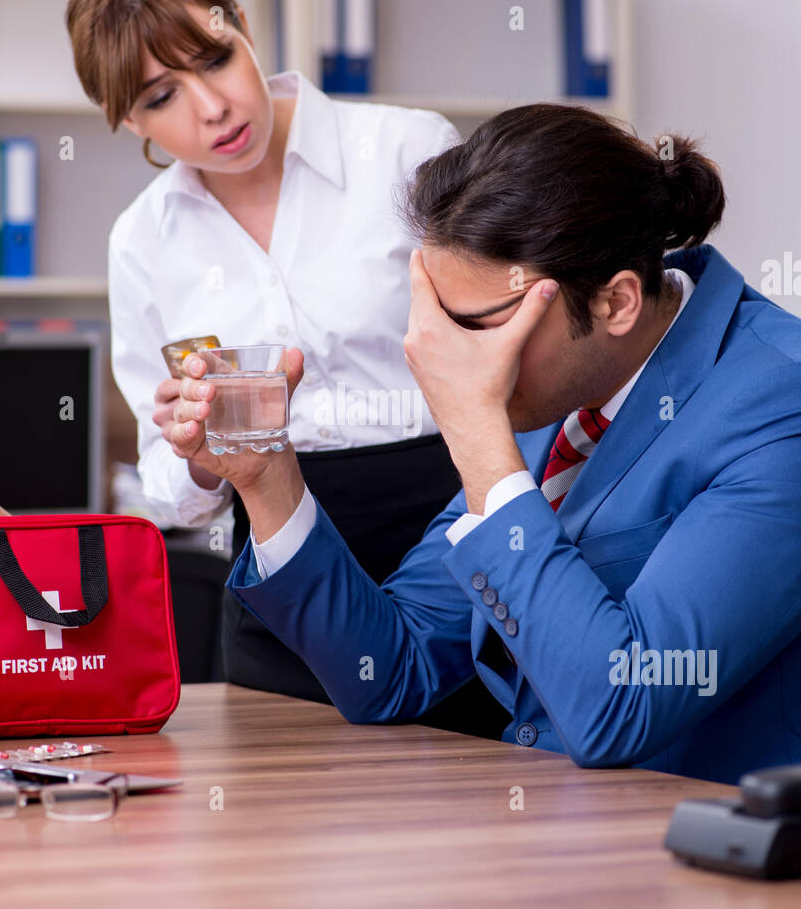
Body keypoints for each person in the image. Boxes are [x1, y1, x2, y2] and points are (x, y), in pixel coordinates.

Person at [169, 103, 801, 787]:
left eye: (475, 325)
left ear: (614, 302)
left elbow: (619, 707)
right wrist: (268, 481)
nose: (436, 355)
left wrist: (478, 437)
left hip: (705, 857)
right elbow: (388, 673)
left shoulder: (776, 404)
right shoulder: (548, 380)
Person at [65, 0, 509, 737]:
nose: (211, 107)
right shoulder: (143, 240)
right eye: (162, 96)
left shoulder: (406, 151)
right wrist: (197, 450)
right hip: (280, 542)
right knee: (278, 830)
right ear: (129, 119)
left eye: (213, 58)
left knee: (467, 807)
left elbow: (506, 344)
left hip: (447, 523)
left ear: (242, 27)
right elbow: (166, 482)